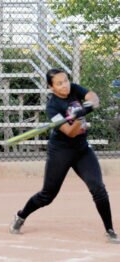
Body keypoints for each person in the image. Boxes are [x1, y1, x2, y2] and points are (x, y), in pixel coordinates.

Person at [9, 68, 120, 244]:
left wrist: (88, 105)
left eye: (66, 81)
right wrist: (78, 118)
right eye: (59, 83)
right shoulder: (52, 107)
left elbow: (93, 97)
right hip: (61, 151)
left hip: (82, 150)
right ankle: (21, 216)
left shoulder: (75, 89)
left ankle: (110, 230)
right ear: (51, 87)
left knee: (98, 188)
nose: (65, 85)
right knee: (47, 195)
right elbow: (69, 132)